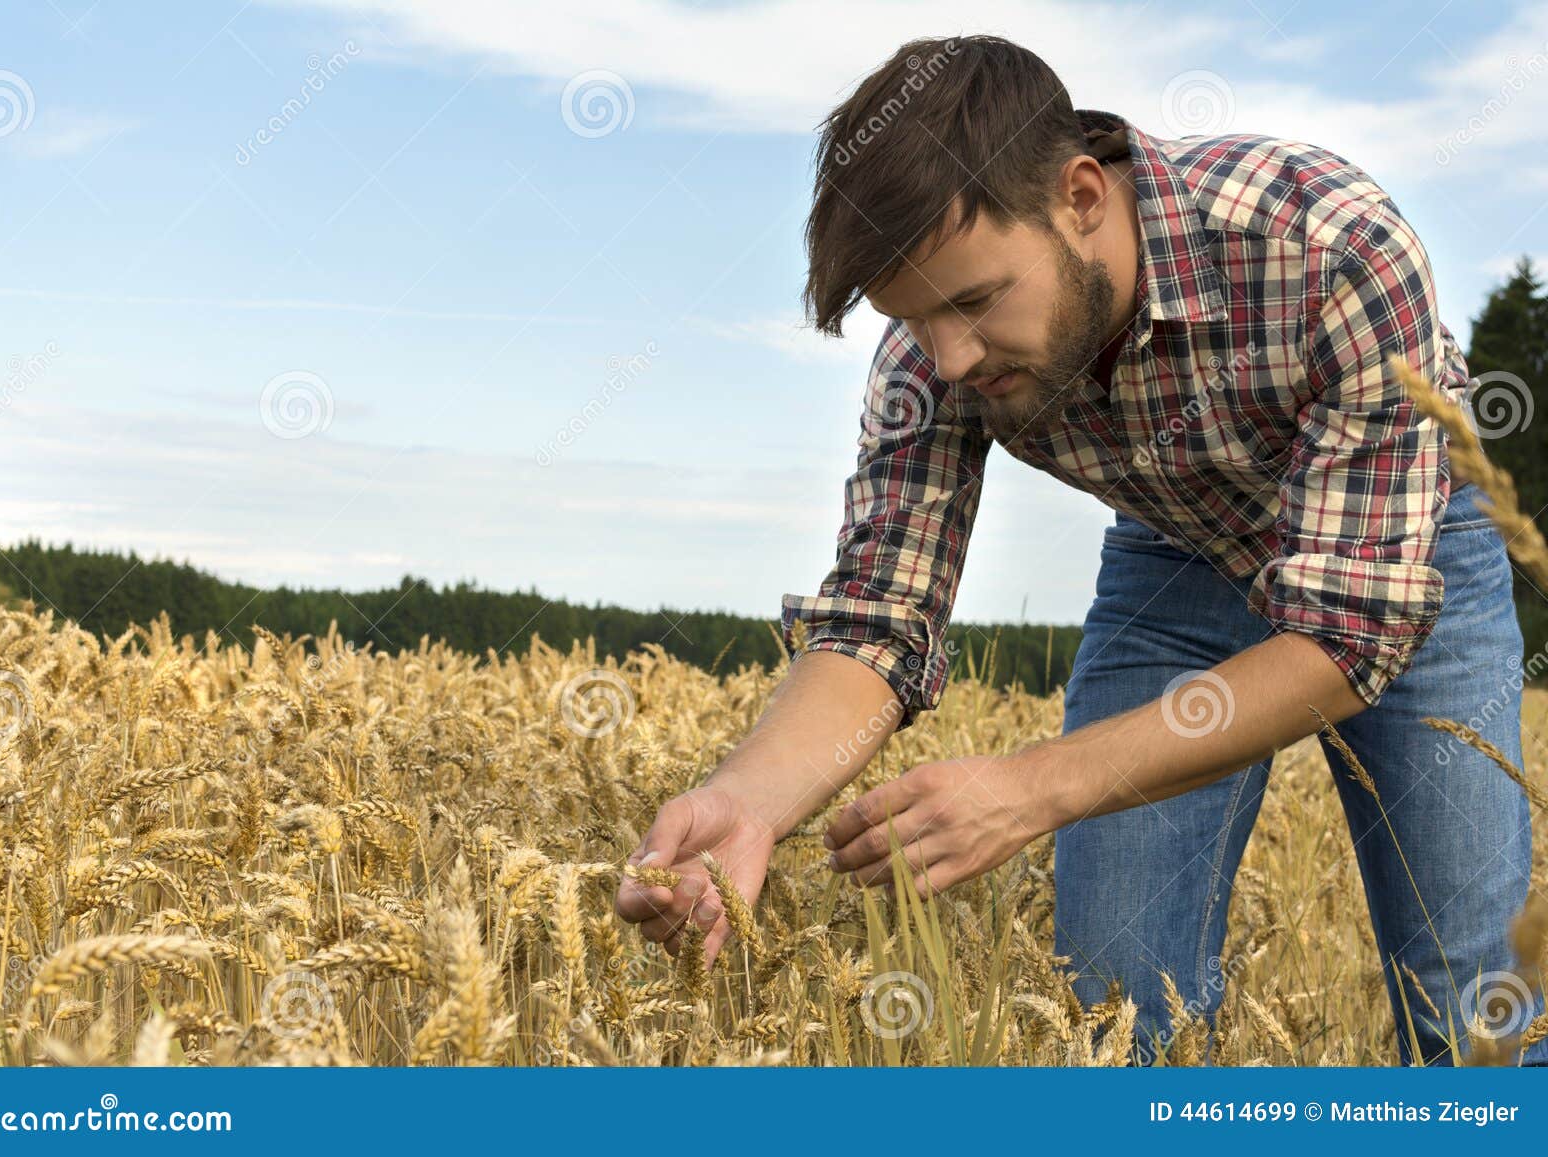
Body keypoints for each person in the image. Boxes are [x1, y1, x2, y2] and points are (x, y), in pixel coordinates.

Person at [613, 34, 1544, 1066]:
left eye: (973, 301)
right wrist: (746, 801)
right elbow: (879, 619)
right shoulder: (931, 359)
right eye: (914, 320)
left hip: (1402, 555)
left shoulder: (1329, 244)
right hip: (1177, 549)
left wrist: (1034, 785)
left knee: (1475, 1004)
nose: (950, 356)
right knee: (1110, 1000)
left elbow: (1342, 636)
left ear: (1081, 197)